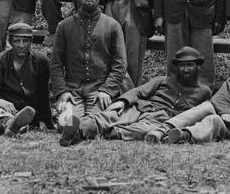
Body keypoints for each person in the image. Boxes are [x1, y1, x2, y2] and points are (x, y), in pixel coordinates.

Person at [51, 0, 130, 146]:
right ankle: (70, 127)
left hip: (99, 89)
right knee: (66, 119)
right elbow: (56, 64)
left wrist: (107, 90)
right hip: (73, 90)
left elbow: (120, 64)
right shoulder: (64, 26)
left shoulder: (112, 26)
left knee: (97, 119)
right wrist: (62, 92)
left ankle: (78, 132)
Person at [84, 46, 212, 143]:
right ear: (177, 67)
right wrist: (122, 101)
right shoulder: (162, 80)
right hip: (140, 108)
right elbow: (138, 91)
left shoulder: (204, 91)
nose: (185, 69)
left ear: (198, 67)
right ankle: (80, 129)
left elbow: (199, 115)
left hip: (160, 119)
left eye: (190, 65)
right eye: (182, 65)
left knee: (141, 131)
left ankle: (111, 134)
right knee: (111, 116)